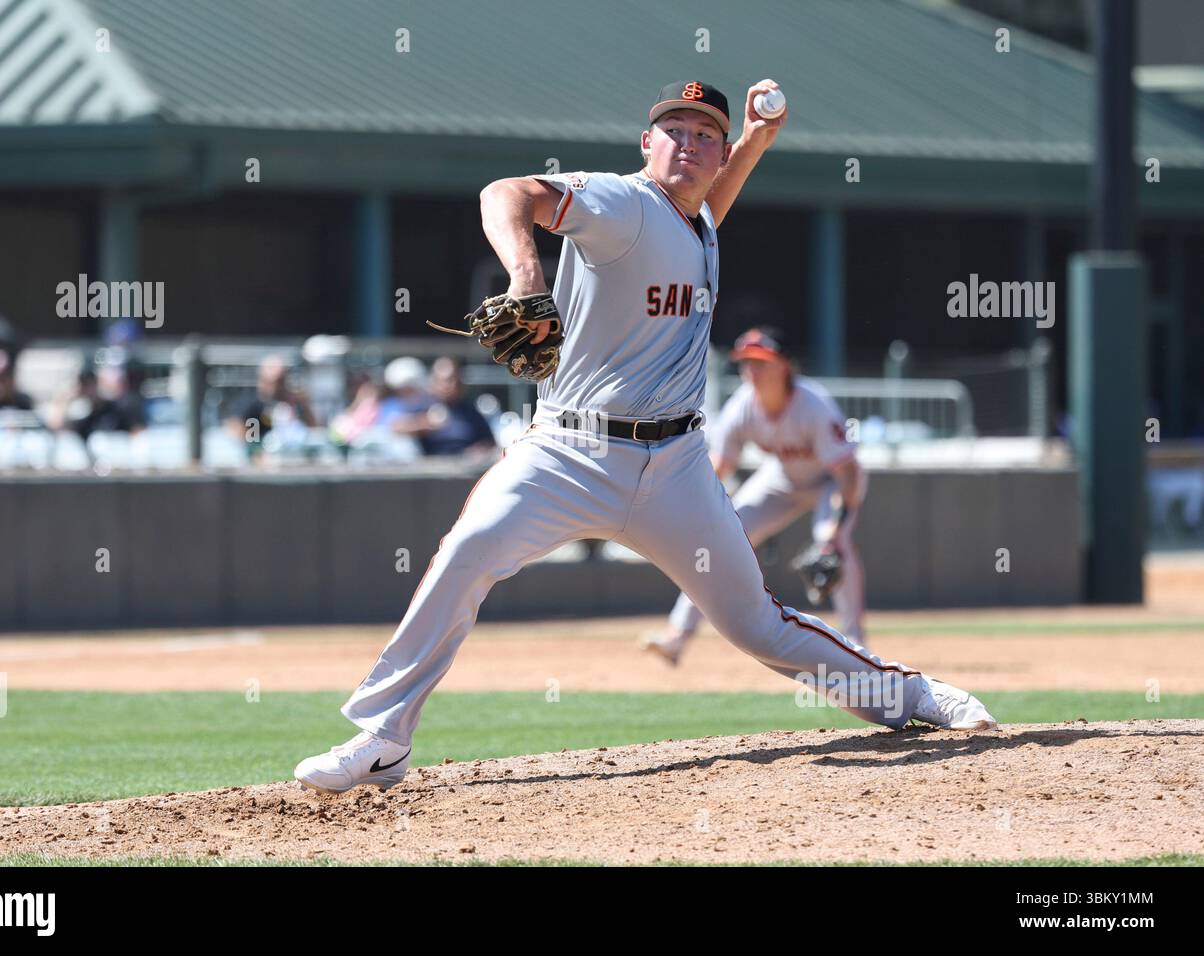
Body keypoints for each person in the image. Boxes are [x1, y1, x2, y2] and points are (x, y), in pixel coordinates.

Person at [296, 79, 996, 795]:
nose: (687, 145)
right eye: (674, 130)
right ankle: (382, 736)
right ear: (645, 142)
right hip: (568, 453)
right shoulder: (620, 203)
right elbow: (503, 192)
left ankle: (909, 698)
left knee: (756, 623)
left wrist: (755, 141)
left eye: (703, 136)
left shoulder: (697, 223)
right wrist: (527, 271)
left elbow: (704, 210)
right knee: (466, 554)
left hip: (676, 467)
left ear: (717, 153)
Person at [644, 328, 869, 665]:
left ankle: (854, 642)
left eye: (761, 362)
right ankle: (677, 637)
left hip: (831, 480)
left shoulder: (812, 404)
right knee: (720, 541)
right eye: (746, 363)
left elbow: (847, 474)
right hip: (781, 477)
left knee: (832, 546)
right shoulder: (742, 406)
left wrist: (835, 531)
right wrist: (696, 512)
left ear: (784, 365)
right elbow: (719, 467)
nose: (751, 370)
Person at [392, 356, 496, 457]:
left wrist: (478, 451)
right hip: (429, 468)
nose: (449, 385)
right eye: (444, 380)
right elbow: (396, 427)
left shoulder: (470, 410)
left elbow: (489, 441)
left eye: (452, 379)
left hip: (465, 467)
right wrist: (425, 423)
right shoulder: (423, 404)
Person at [225, 354, 314, 453]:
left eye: (280, 381)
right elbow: (234, 426)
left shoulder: (293, 401)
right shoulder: (250, 401)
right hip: (260, 457)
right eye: (272, 382)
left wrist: (304, 404)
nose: (276, 386)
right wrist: (255, 451)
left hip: (292, 455)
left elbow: (312, 426)